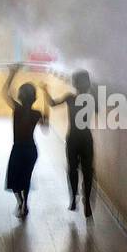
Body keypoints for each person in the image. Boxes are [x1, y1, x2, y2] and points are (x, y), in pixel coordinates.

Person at [42, 70, 95, 217]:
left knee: (73, 169)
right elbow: (96, 110)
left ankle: (74, 199)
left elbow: (52, 104)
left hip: (74, 137)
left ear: (74, 84)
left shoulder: (71, 98)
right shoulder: (89, 99)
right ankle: (85, 202)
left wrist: (45, 91)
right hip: (85, 137)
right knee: (86, 170)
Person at [1, 63, 47, 218]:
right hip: (31, 150)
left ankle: (20, 202)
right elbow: (46, 128)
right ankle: (25, 204)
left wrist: (12, 73)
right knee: (26, 178)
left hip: (18, 149)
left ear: (20, 96)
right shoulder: (36, 113)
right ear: (34, 98)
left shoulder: (17, 109)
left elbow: (4, 93)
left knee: (14, 179)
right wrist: (46, 107)